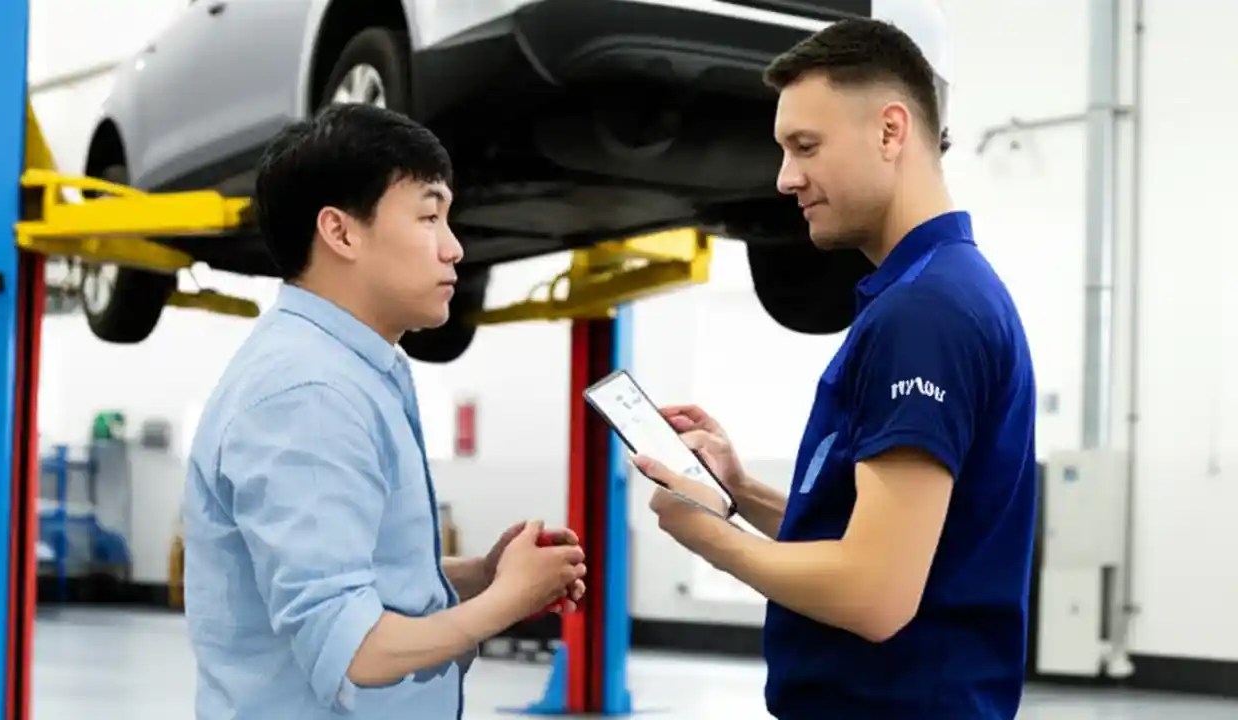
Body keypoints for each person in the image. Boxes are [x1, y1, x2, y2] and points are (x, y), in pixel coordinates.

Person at [634, 15, 1038, 720]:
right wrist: (742, 494)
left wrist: (708, 538)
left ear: (889, 132)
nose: (786, 178)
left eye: (805, 146)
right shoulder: (940, 292)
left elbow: (873, 593)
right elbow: (890, 540)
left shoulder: (925, 315)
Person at [181, 103, 586, 720]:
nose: (454, 248)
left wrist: (480, 574)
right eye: (429, 217)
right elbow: (355, 653)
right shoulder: (306, 395)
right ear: (341, 232)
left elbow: (352, 573)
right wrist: (505, 601)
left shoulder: (353, 370)